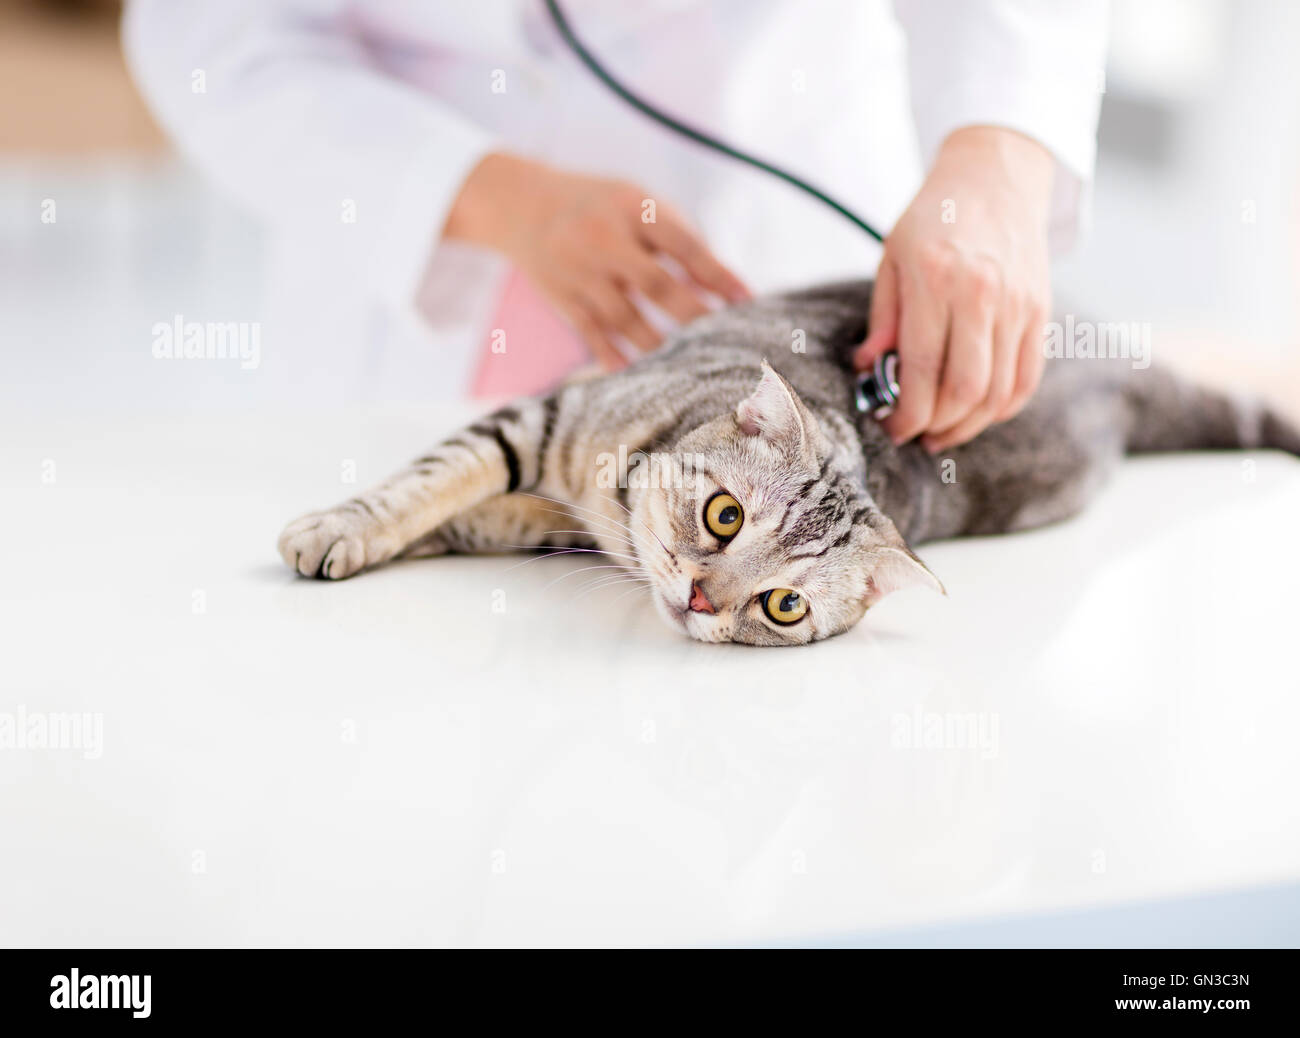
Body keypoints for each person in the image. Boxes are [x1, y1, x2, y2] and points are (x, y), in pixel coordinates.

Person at [125, 0, 1107, 449]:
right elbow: (209, 35)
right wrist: (486, 194)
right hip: (420, 313)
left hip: (789, 230)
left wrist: (997, 153)